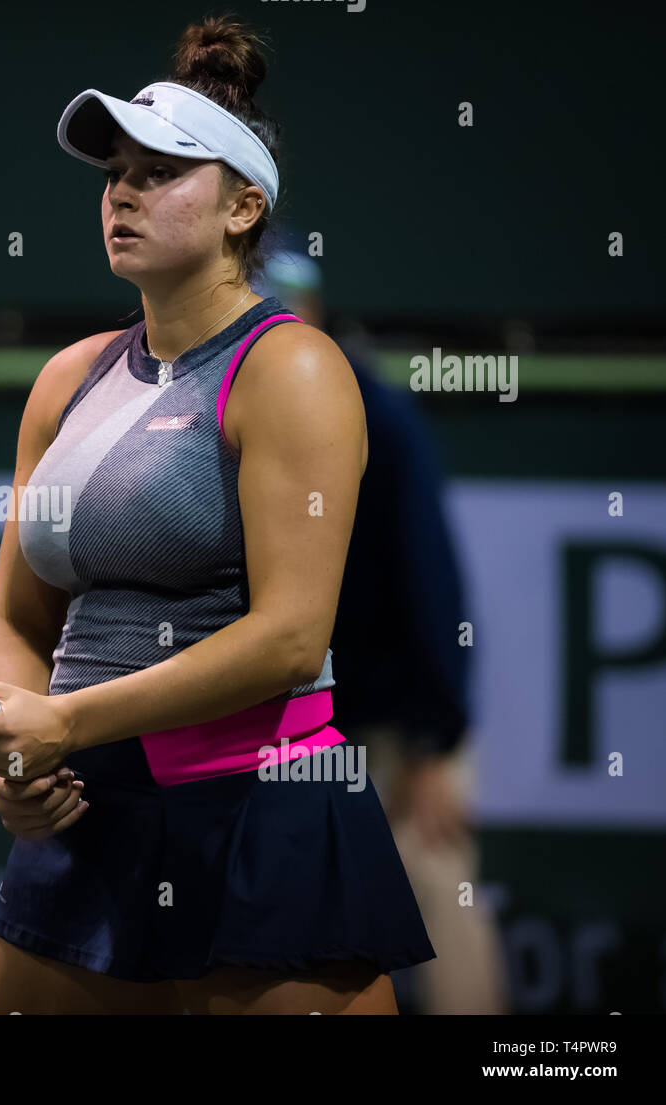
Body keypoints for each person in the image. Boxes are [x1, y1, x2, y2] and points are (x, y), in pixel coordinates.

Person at [0, 16, 435, 1014]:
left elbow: (291, 640)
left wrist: (63, 721)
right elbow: (17, 616)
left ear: (241, 206)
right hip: (82, 818)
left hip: (257, 815)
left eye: (162, 171)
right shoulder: (64, 381)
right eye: (113, 172)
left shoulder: (292, 368)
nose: (122, 191)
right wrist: (16, 739)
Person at [255, 244, 509, 1015]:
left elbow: (433, 588)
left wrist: (436, 744)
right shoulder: (234, 421)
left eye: (289, 312)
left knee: (436, 889)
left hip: (403, 732)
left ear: (318, 318)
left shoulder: (382, 425)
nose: (275, 328)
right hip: (304, 728)